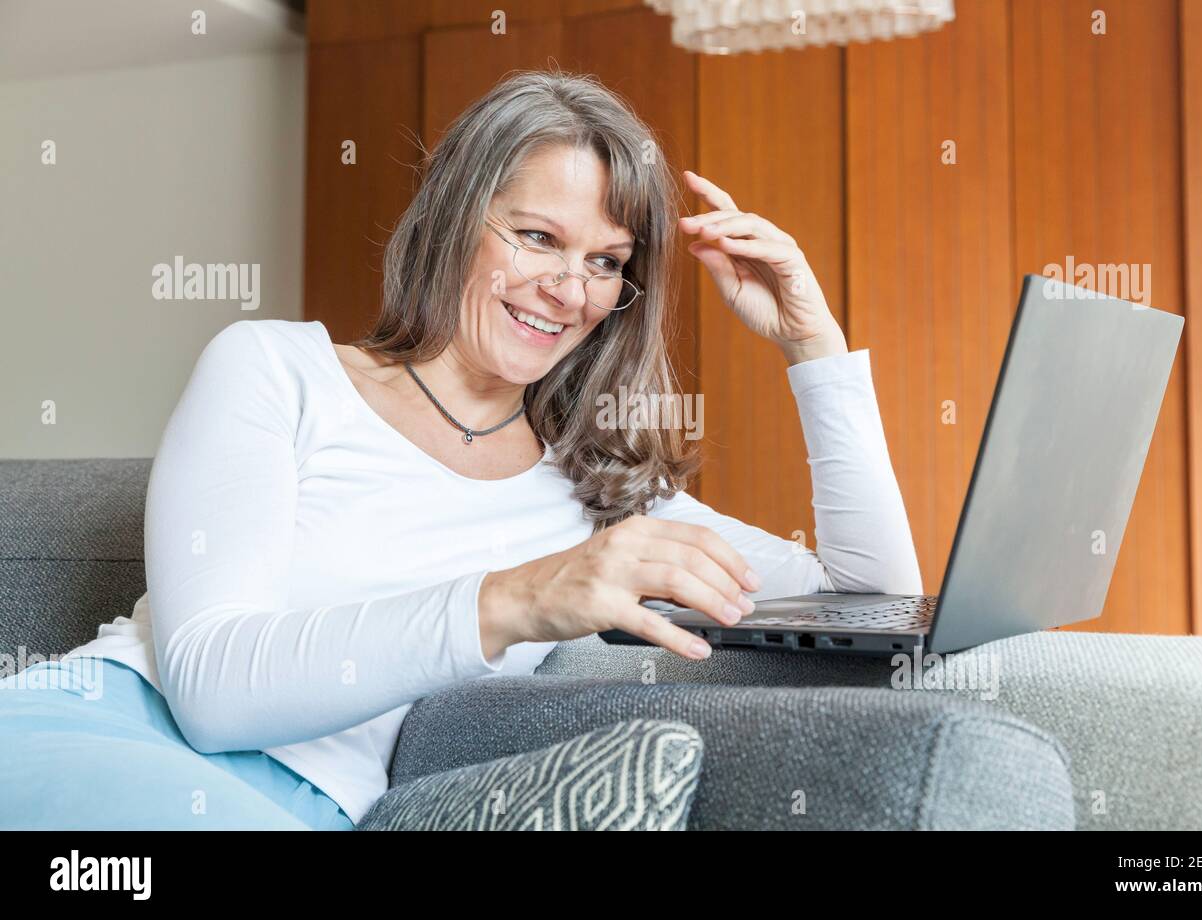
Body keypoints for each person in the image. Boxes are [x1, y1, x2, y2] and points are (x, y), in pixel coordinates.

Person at [1, 70, 921, 830]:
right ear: (453, 218)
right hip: (103, 740)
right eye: (536, 238)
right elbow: (210, 694)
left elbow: (881, 601)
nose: (568, 288)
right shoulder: (275, 371)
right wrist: (521, 597)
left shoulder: (600, 496)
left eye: (607, 262)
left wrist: (814, 341)